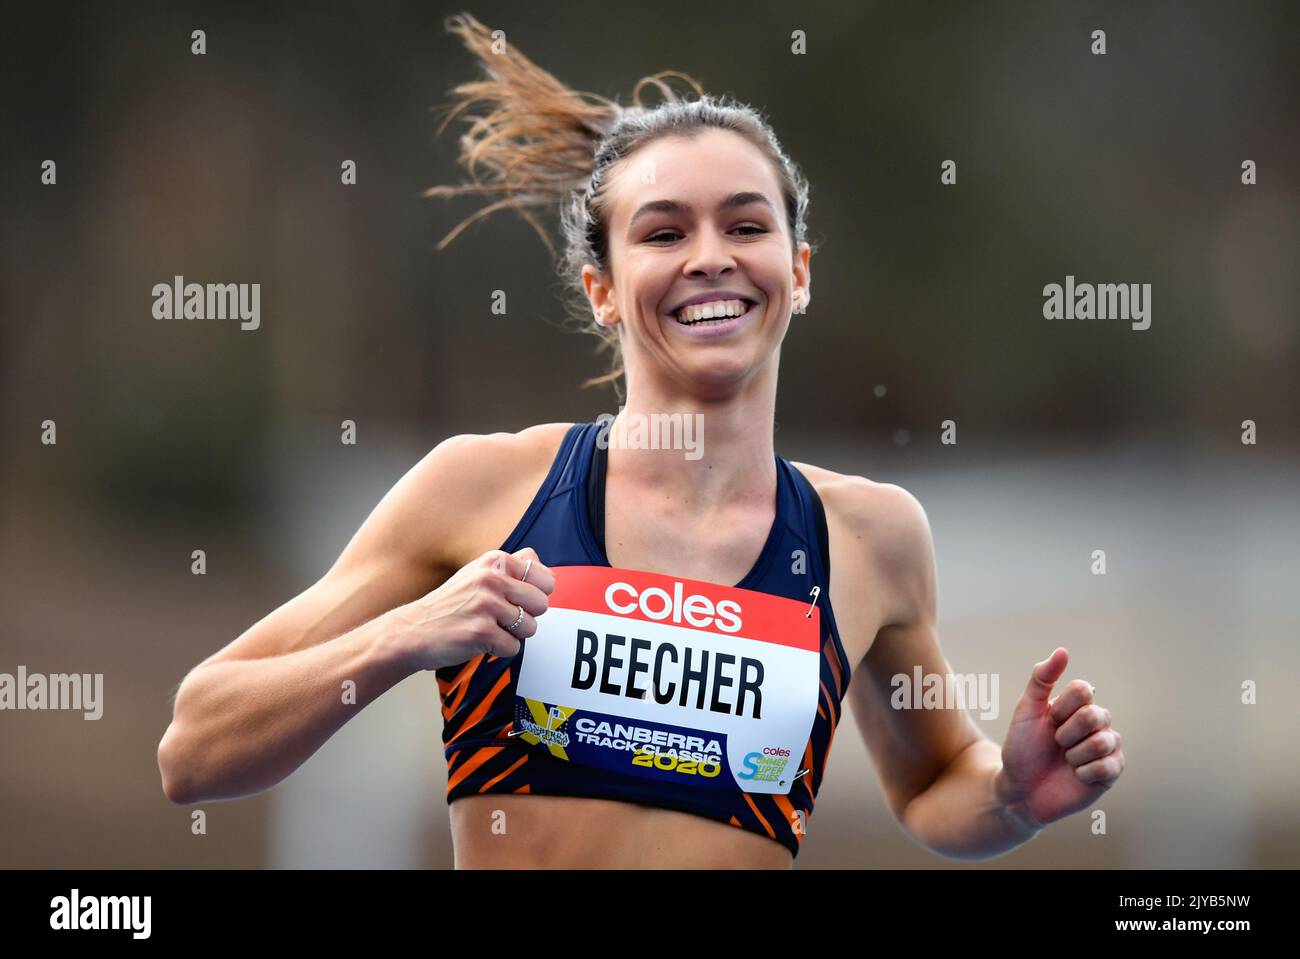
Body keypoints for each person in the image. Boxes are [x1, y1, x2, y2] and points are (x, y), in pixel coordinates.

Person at [157, 12, 1124, 869]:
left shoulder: (871, 538)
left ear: (798, 270)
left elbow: (933, 780)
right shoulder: (482, 491)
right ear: (603, 290)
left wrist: (1010, 795)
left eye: (745, 224)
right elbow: (195, 746)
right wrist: (405, 634)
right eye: (663, 233)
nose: (710, 255)